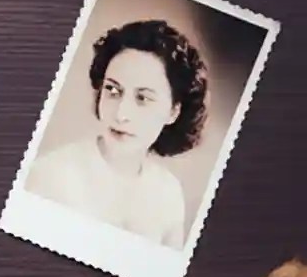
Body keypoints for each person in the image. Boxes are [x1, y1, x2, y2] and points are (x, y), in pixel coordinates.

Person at [27, 19, 209, 250]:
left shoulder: (169, 193)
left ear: (173, 111)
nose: (121, 114)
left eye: (142, 98)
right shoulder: (49, 176)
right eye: (113, 90)